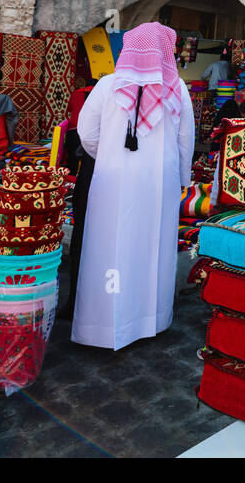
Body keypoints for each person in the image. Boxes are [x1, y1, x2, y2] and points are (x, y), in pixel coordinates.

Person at [71, 23, 195, 350]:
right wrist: (183, 181)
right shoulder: (177, 88)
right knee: (151, 247)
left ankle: (101, 325)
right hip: (159, 183)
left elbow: (86, 134)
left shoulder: (107, 85)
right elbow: (186, 142)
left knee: (108, 246)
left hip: (111, 179)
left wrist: (111, 157)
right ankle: (149, 319)